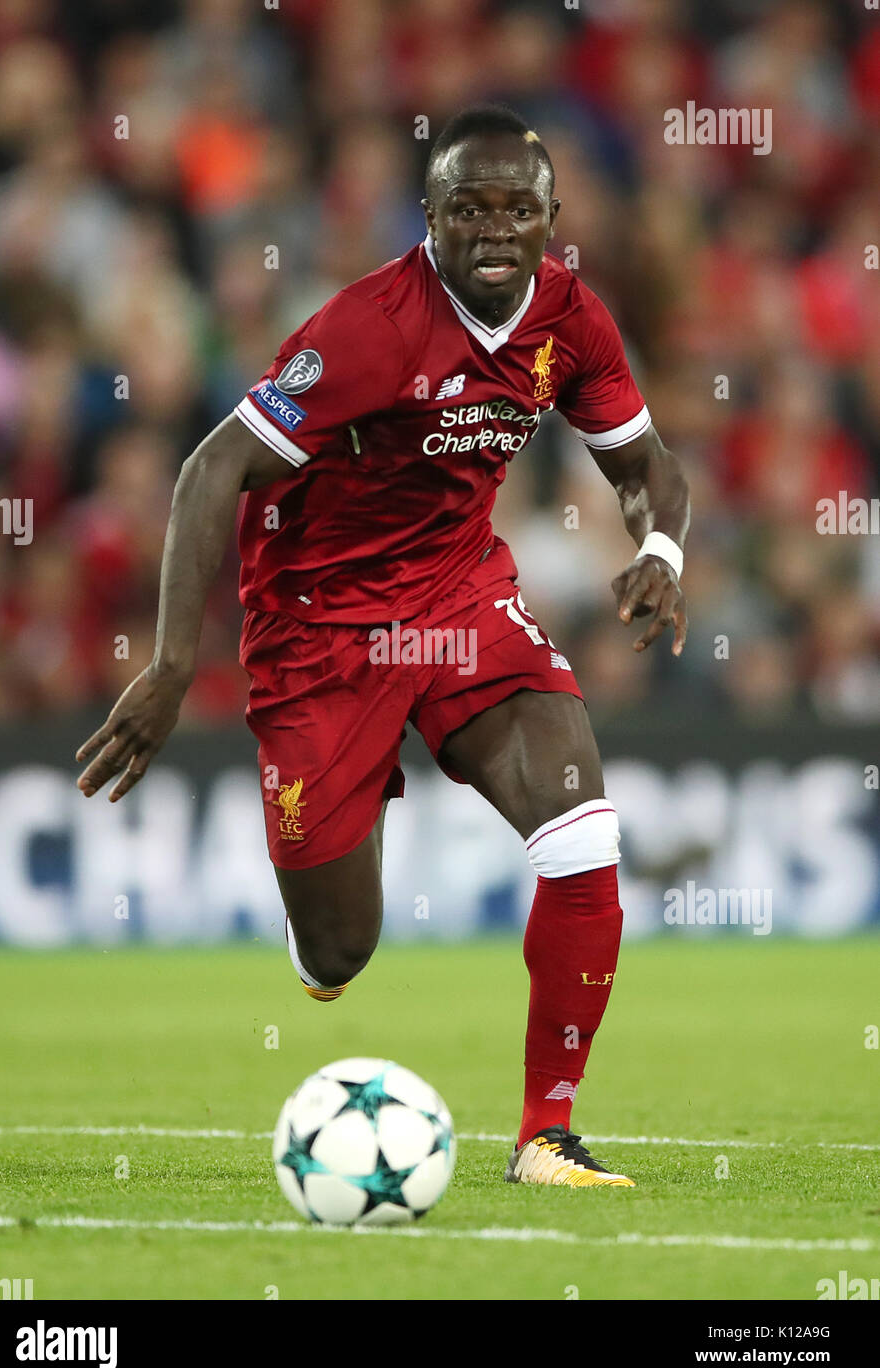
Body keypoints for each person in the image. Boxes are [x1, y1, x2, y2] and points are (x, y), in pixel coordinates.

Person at [76, 106, 690, 1190]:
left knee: (581, 829)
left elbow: (644, 461)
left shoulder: (569, 317)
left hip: (458, 595)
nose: (495, 231)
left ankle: (544, 1133)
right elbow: (209, 470)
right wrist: (173, 668)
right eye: (468, 209)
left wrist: (662, 550)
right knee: (339, 950)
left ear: (553, 217)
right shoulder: (364, 331)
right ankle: (316, 929)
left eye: (517, 209)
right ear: (430, 219)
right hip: (318, 627)